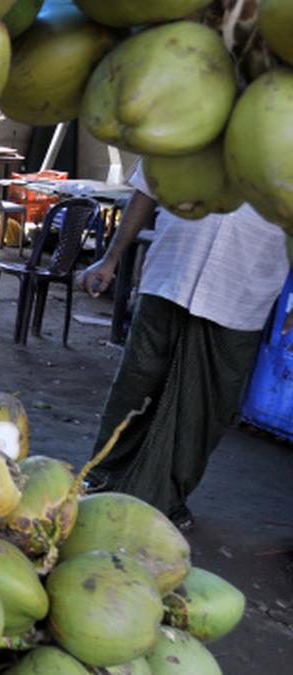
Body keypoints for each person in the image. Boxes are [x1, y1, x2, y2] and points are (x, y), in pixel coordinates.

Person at [77, 165, 289, 530]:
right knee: (135, 390)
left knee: (204, 412)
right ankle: (99, 478)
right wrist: (110, 258)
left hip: (238, 296)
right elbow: (147, 187)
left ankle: (168, 501)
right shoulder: (192, 120)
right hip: (170, 276)